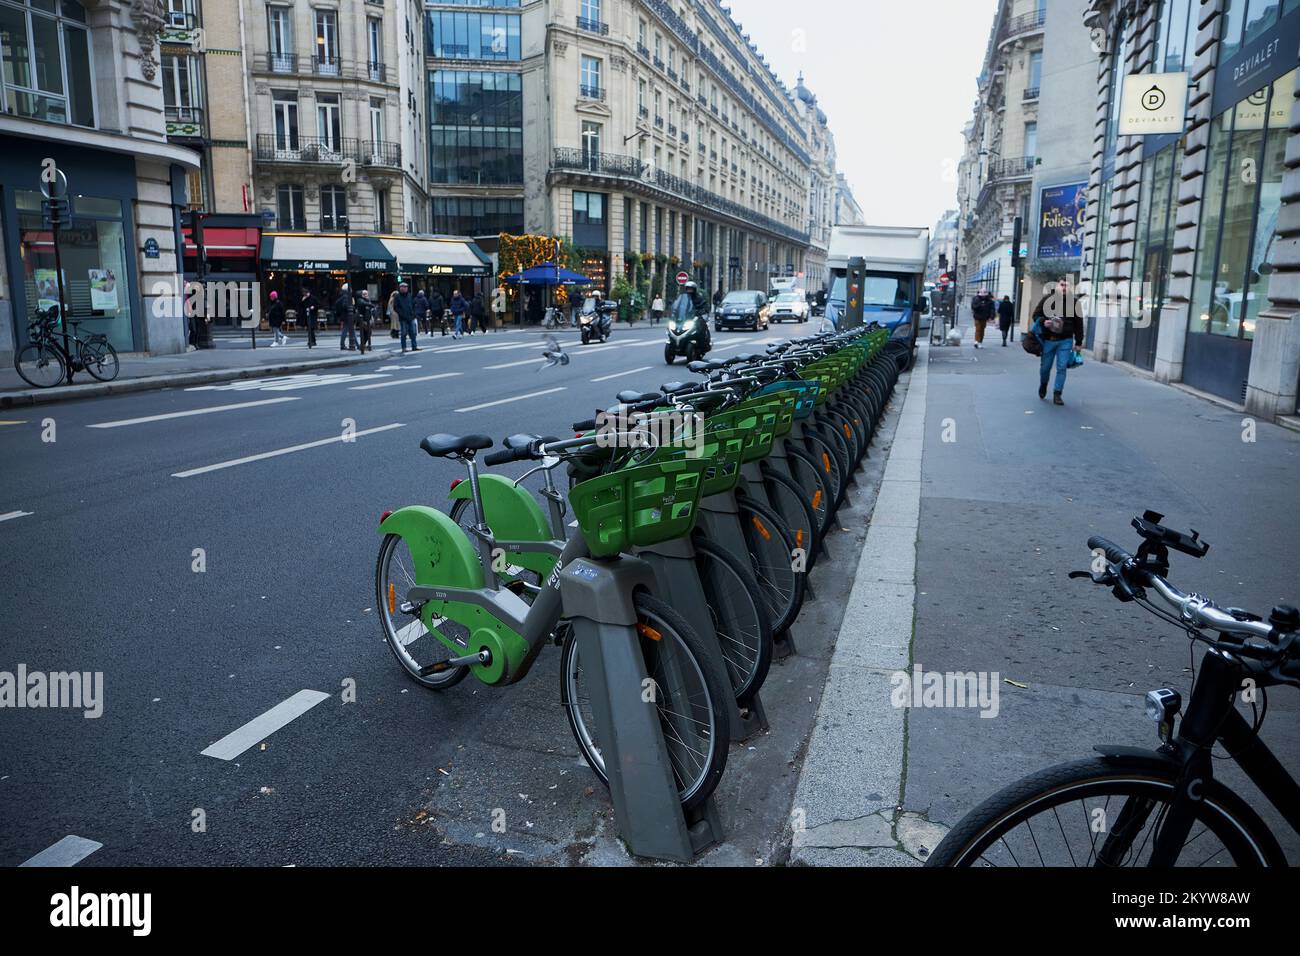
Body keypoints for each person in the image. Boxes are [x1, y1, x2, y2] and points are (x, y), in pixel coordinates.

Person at [1034, 277, 1086, 406]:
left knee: (1062, 367)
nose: (1064, 287)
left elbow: (1079, 324)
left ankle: (1057, 393)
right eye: (1062, 285)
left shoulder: (1074, 303)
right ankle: (1043, 384)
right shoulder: (1047, 299)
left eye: (1067, 286)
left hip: (1065, 341)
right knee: (1045, 368)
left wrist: (1079, 342)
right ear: (1057, 286)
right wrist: (1043, 321)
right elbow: (1036, 315)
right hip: (1048, 340)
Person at [392, 280, 418, 353]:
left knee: (413, 332)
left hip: (411, 316)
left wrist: (413, 314)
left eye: (405, 287)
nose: (404, 288)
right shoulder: (397, 297)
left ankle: (414, 346)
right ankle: (404, 347)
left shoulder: (410, 295)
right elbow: (396, 307)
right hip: (403, 317)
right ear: (400, 288)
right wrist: (401, 314)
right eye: (402, 287)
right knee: (404, 333)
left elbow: (413, 305)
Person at [335, 284, 356, 350]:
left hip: (345, 316)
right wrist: (352, 308)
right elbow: (345, 305)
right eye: (351, 289)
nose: (352, 290)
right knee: (346, 331)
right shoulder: (347, 296)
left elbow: (338, 303)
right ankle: (343, 345)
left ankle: (356, 345)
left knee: (351, 331)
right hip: (347, 316)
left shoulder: (343, 295)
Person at [356, 289, 374, 354]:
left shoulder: (367, 300)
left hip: (367, 319)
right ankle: (362, 346)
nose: (366, 295)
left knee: (367, 333)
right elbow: (363, 304)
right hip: (363, 319)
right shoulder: (360, 300)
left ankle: (363, 345)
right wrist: (370, 304)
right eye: (364, 294)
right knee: (366, 333)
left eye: (366, 294)